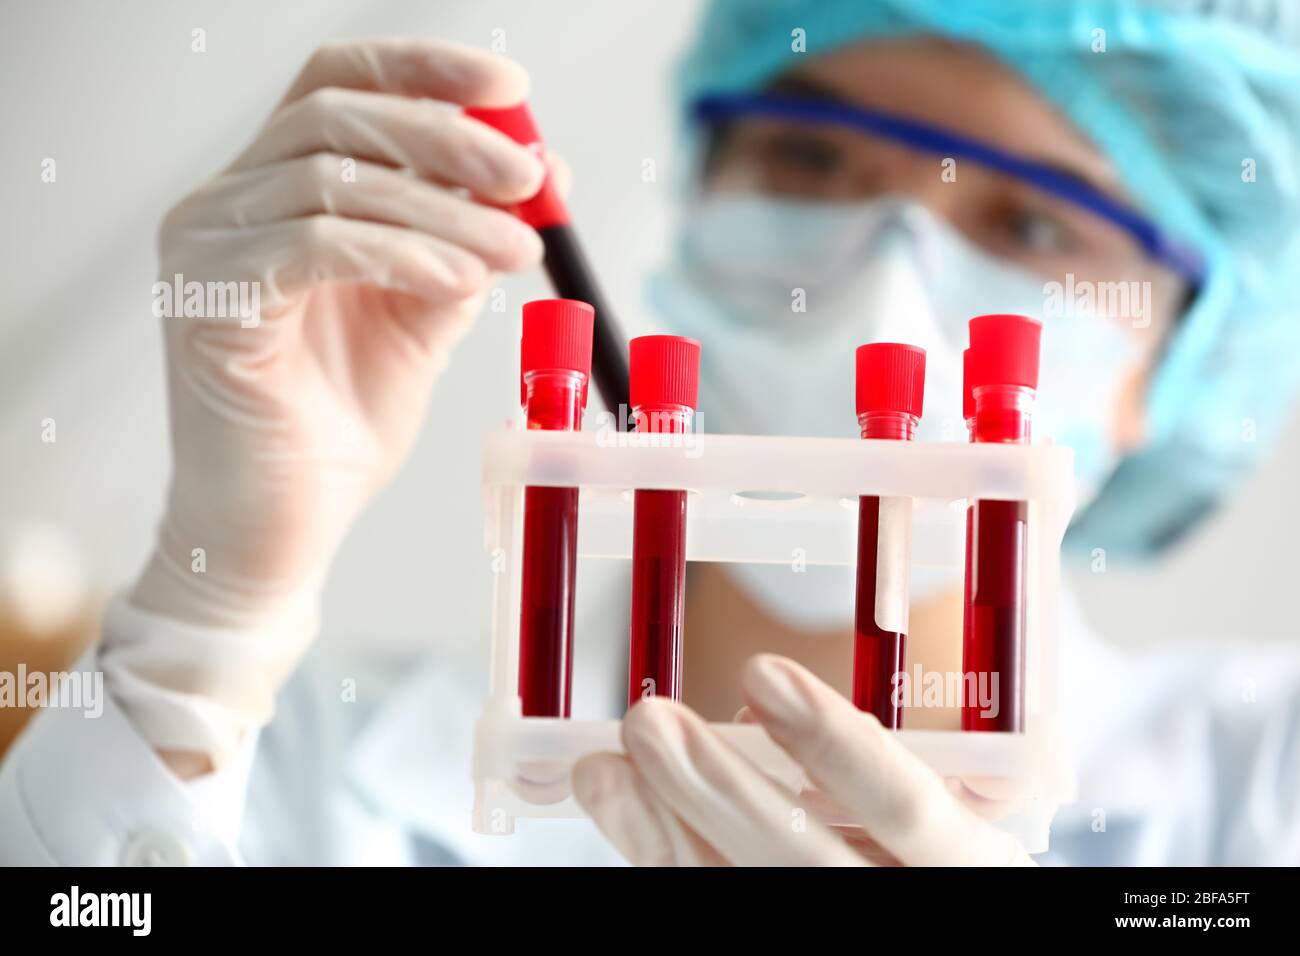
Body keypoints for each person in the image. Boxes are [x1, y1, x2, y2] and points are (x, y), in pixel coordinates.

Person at [3, 0, 1299, 866]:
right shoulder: (290, 763)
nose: (885, 292)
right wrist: (208, 611)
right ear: (694, 204)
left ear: (1177, 351)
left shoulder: (1261, 784)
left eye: (1030, 224)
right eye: (806, 160)